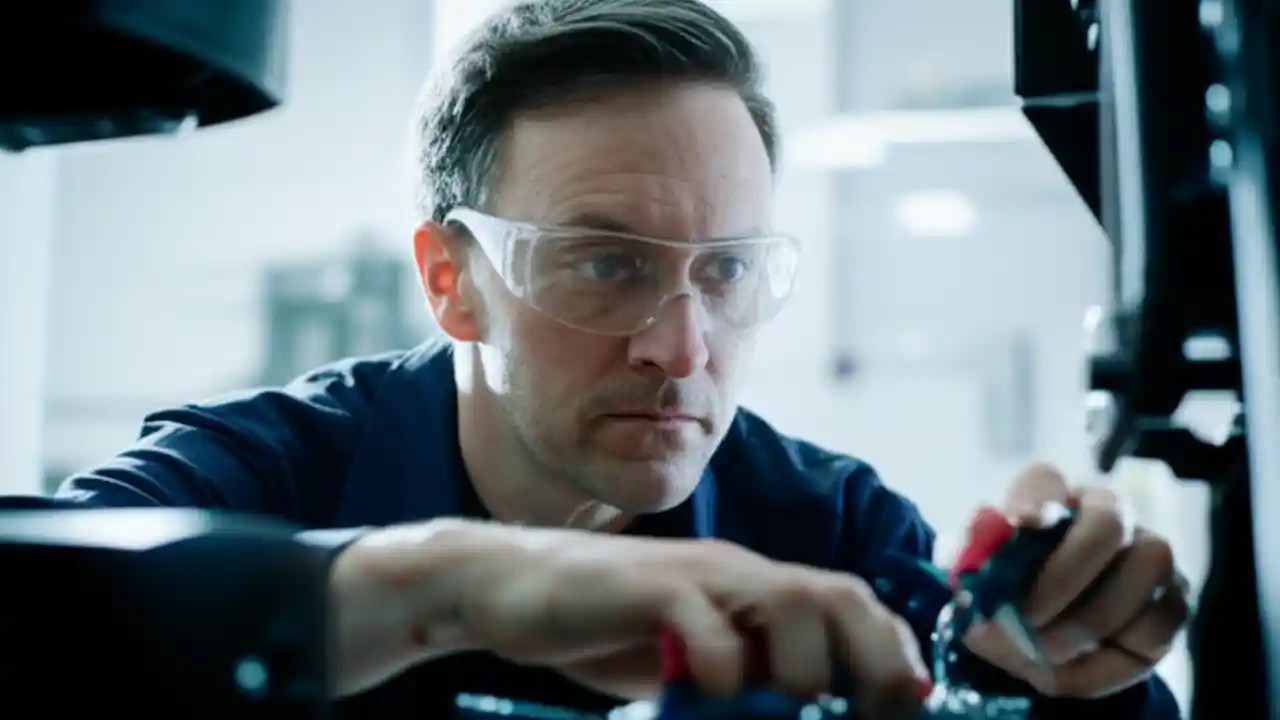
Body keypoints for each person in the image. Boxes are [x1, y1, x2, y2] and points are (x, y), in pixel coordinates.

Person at [21, 1, 1187, 718]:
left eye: (726, 272)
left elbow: (987, 686)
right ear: (450, 281)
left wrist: (1054, 667)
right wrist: (440, 590)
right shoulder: (256, 473)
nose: (681, 348)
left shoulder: (827, 528)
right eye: (604, 265)